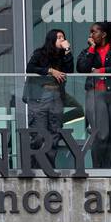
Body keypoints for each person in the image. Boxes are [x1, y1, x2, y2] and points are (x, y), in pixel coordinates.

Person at [76, 21, 111, 169]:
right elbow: (82, 68)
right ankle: (97, 169)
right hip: (95, 93)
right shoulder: (89, 50)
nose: (91, 35)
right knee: (101, 134)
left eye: (94, 32)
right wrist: (92, 49)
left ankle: (107, 169)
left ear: (104, 34)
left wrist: (101, 70)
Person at [25, 29, 74, 166]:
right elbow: (30, 68)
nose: (62, 40)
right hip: (39, 97)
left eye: (63, 37)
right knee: (39, 135)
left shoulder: (64, 55)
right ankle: (34, 166)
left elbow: (70, 70)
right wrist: (50, 70)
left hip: (56, 96)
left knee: (54, 133)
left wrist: (68, 50)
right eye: (58, 37)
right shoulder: (40, 53)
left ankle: (49, 166)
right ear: (51, 39)